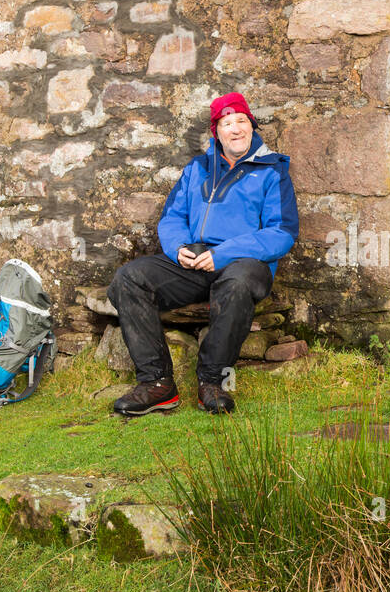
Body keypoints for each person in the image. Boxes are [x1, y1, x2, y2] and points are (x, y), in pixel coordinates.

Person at [107, 92, 298, 415]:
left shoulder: (272, 171)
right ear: (217, 132)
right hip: (195, 261)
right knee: (129, 278)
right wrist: (179, 248)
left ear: (251, 126)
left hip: (246, 263)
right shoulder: (197, 169)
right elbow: (172, 218)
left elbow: (281, 234)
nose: (235, 129)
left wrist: (224, 253)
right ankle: (157, 384)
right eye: (227, 123)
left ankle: (214, 382)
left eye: (241, 121)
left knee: (235, 285)